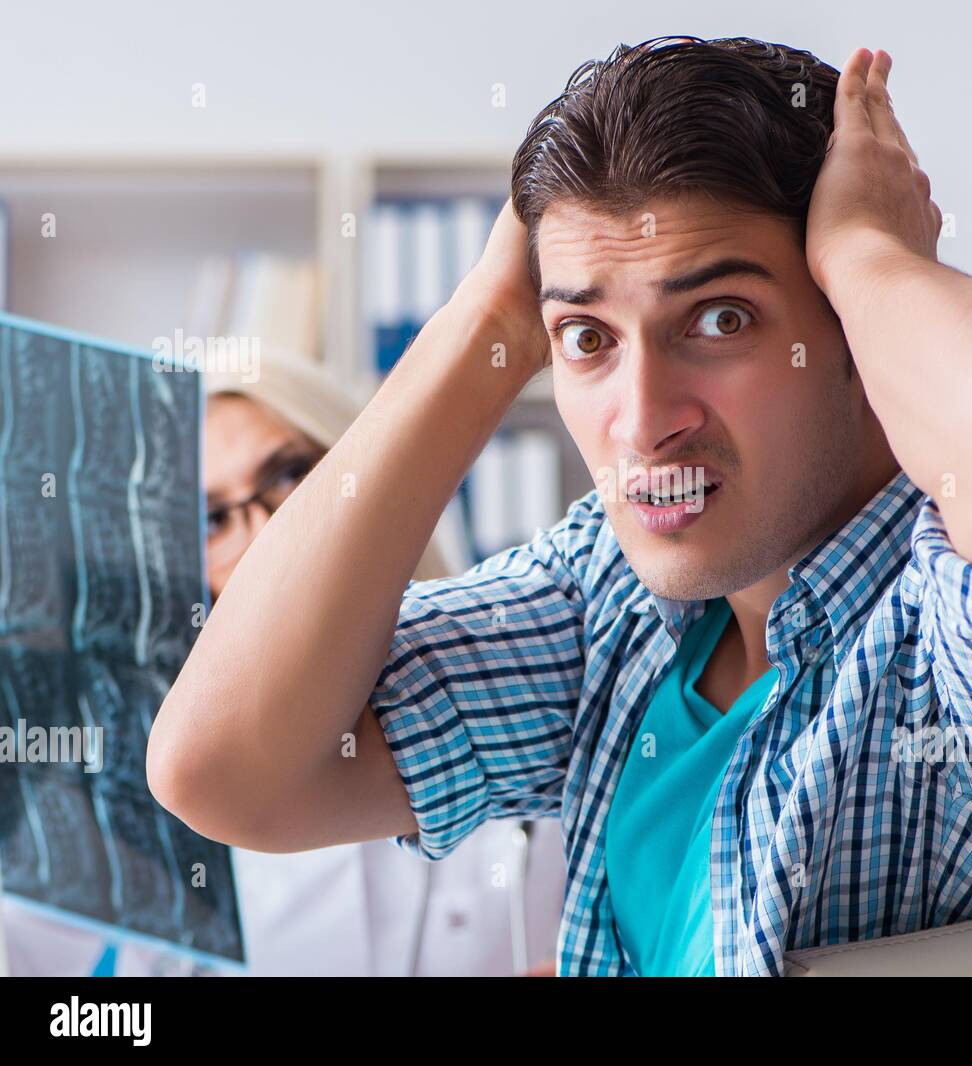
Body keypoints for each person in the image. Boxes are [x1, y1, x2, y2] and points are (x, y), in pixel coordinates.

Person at [148, 37, 972, 976]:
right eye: (586, 340)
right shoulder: (613, 610)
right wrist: (488, 327)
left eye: (721, 320)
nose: (642, 420)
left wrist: (867, 249)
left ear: (847, 321)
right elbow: (226, 767)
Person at [4, 353, 564, 976]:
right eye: (212, 519)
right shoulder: (126, 770)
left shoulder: (535, 678)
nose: (267, 531)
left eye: (293, 473)